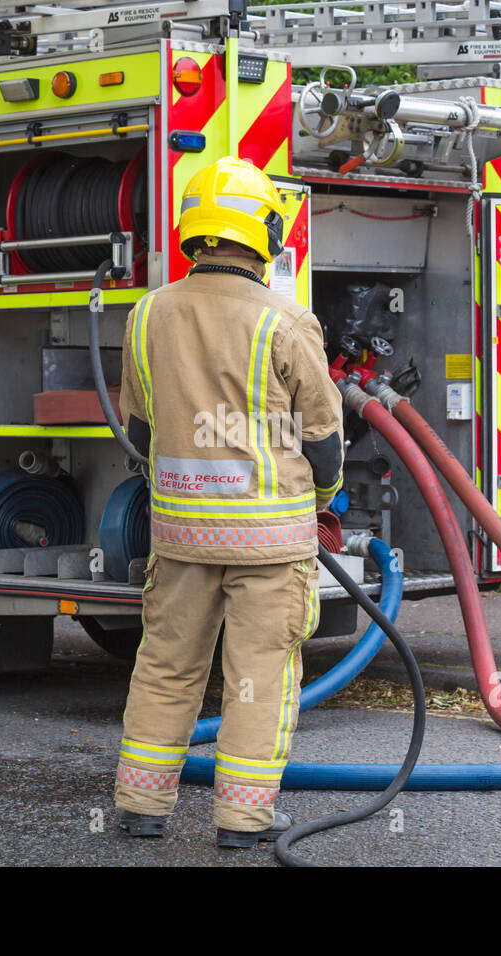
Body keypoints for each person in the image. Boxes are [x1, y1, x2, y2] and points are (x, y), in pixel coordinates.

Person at [113, 156, 344, 848]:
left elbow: (142, 431)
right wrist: (326, 501)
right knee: (259, 675)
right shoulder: (287, 322)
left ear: (195, 231)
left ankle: (140, 806)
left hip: (181, 536)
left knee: (165, 665)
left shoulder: (147, 313)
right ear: (265, 231)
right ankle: (244, 819)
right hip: (270, 545)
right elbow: (325, 447)